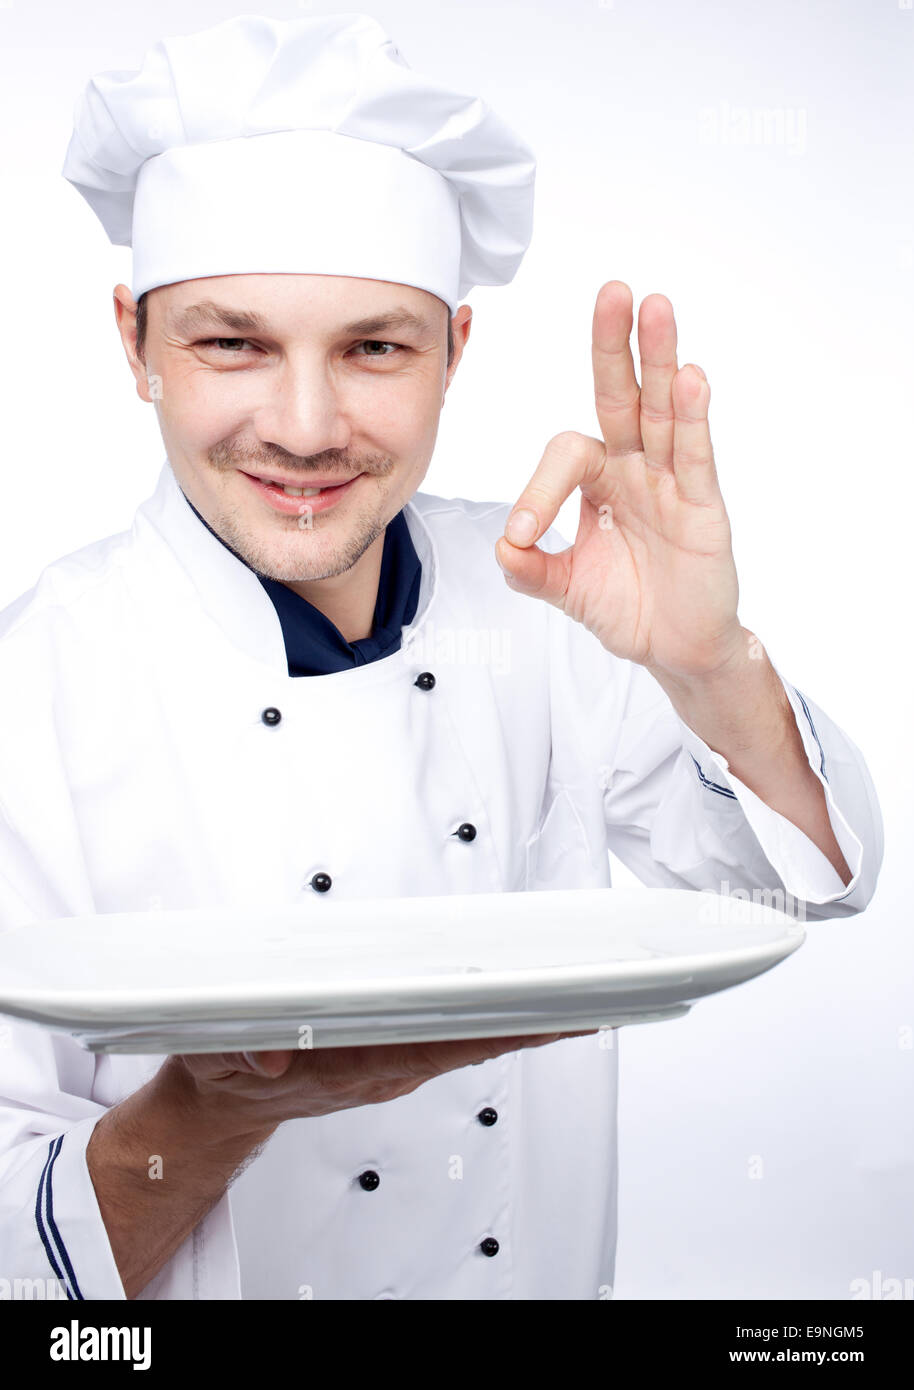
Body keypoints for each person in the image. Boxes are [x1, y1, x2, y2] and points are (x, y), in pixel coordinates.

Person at [0, 13, 882, 1302]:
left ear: (456, 353)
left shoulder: (544, 600)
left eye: (375, 347)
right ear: (133, 342)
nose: (304, 428)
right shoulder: (36, 686)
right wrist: (220, 1111)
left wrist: (709, 661)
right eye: (231, 342)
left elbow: (802, 886)